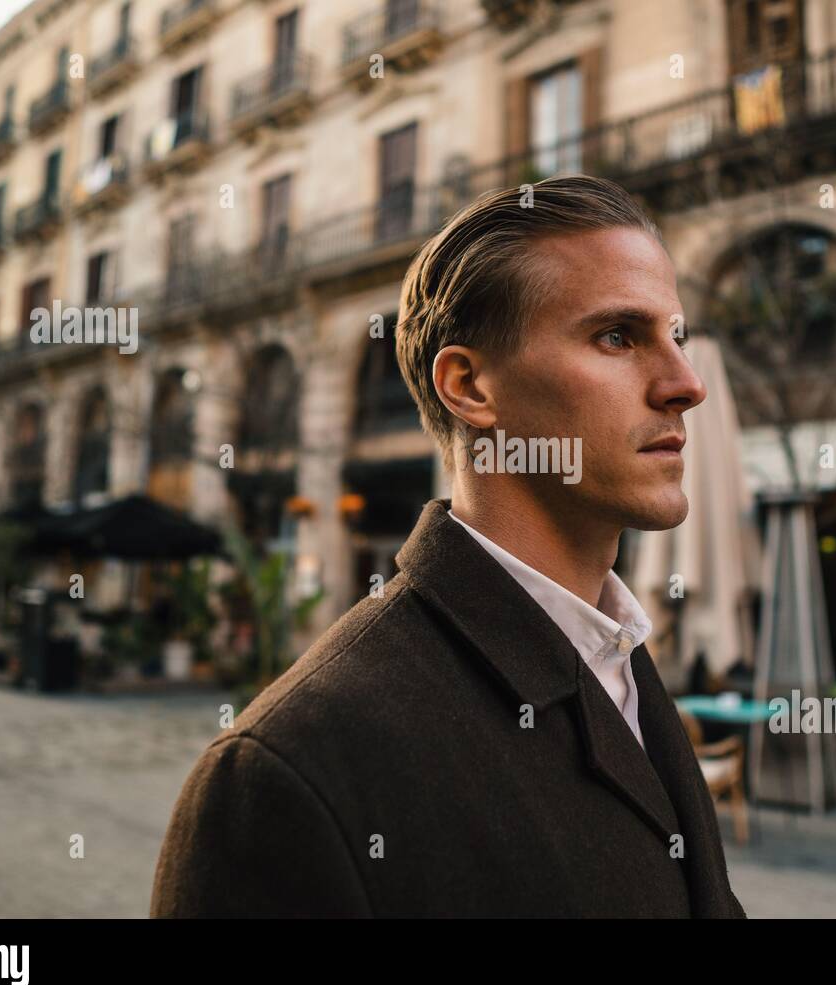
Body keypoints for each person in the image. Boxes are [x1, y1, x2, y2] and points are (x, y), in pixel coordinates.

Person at [151, 175, 746, 918]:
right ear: (469, 386)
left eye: (677, 336)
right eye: (618, 336)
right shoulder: (288, 771)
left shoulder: (618, 658)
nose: (686, 384)